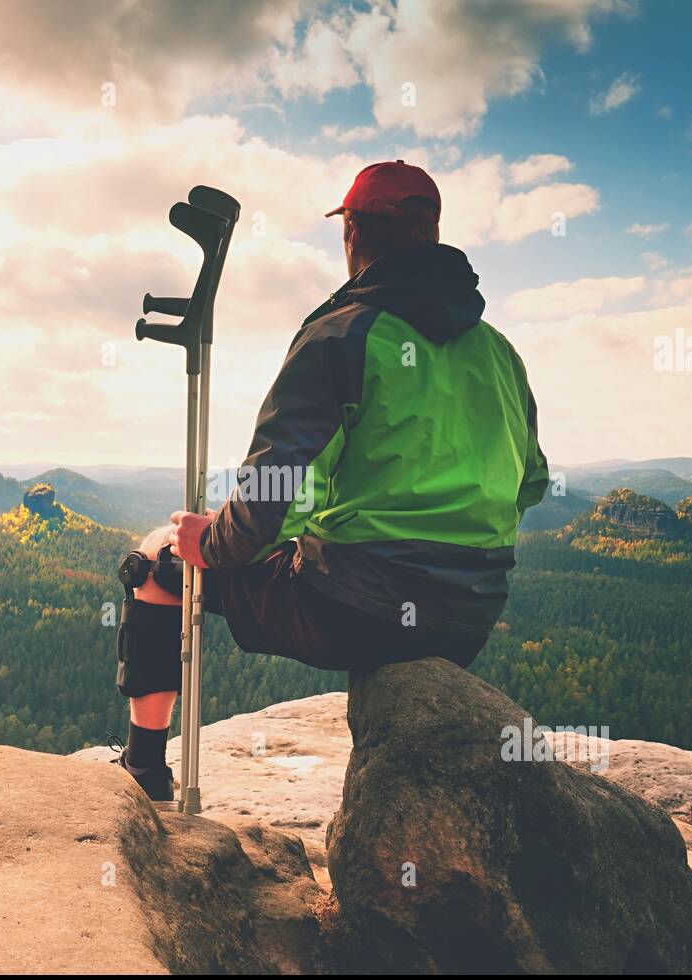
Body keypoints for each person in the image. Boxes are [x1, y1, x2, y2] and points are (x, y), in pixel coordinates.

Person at [113, 160, 549, 801]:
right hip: (469, 615)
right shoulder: (498, 351)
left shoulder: (342, 334)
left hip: (355, 608)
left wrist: (208, 542)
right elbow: (530, 483)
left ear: (352, 234)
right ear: (430, 234)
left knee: (155, 560)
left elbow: (274, 496)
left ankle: (143, 771)